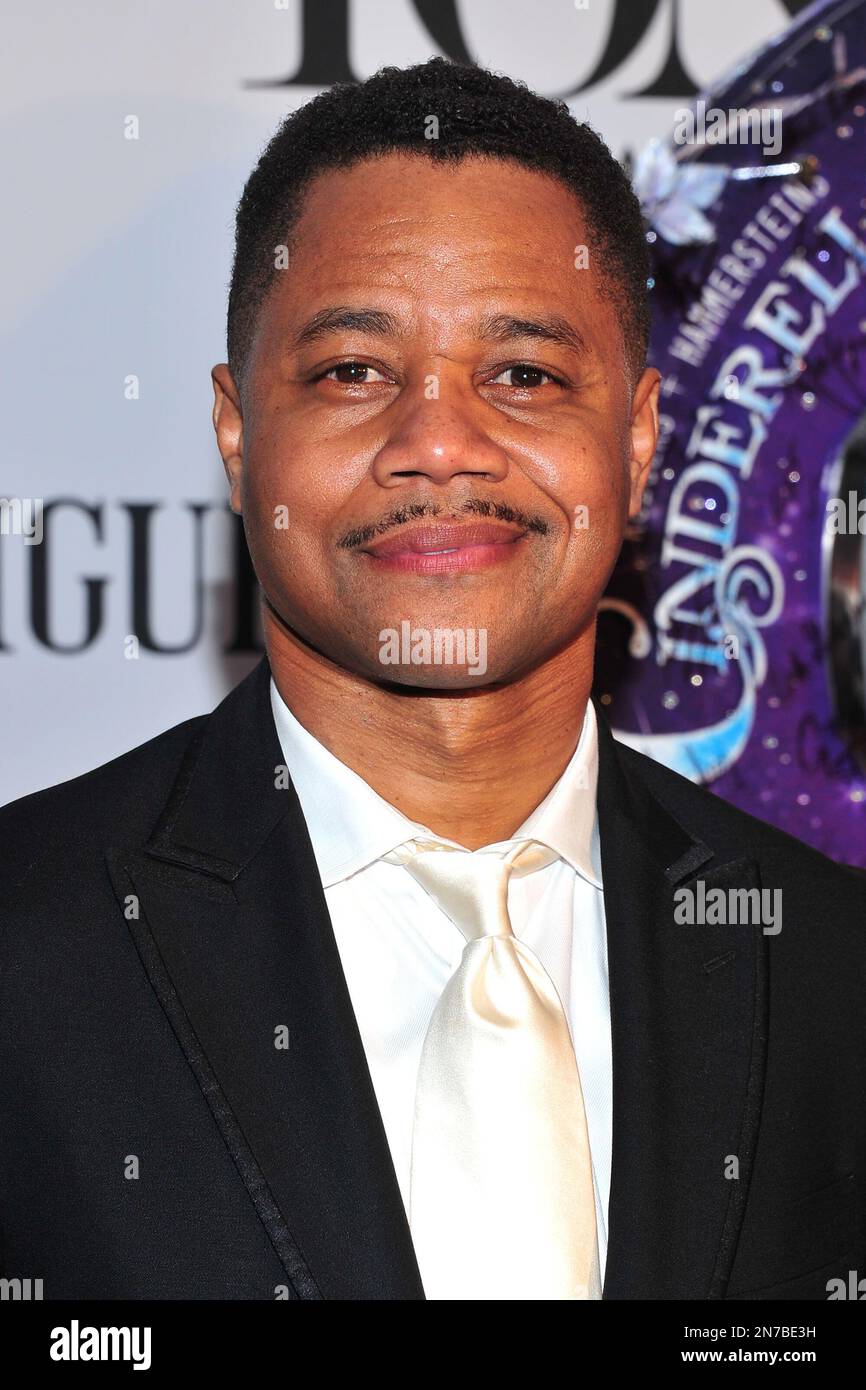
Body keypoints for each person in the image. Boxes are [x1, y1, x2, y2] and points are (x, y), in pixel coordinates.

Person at [1, 57, 864, 1302]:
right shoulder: (30, 947)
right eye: (354, 371)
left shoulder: (831, 969)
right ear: (238, 437)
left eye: (521, 374)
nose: (439, 443)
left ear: (634, 439)